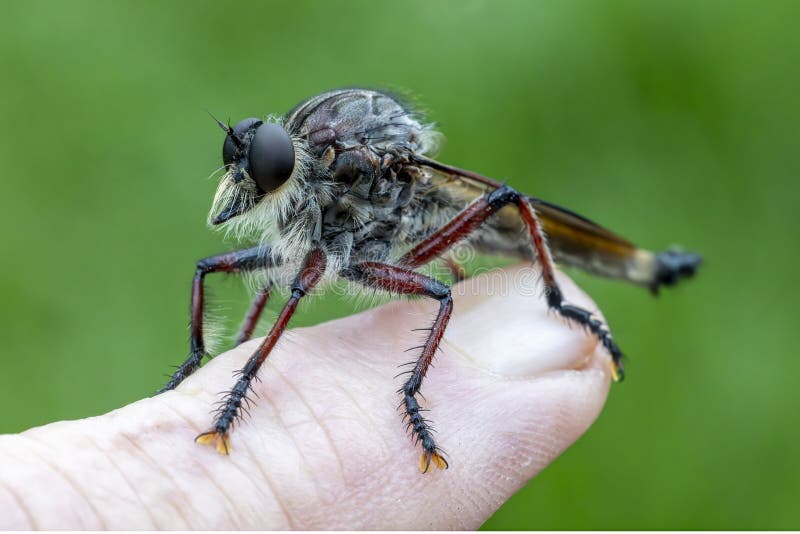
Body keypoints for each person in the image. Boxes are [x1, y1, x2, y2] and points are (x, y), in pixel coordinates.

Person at [0, 265, 611, 529]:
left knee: (460, 263)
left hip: (417, 230)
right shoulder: (299, 197)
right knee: (238, 267)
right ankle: (209, 371)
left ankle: (420, 387)